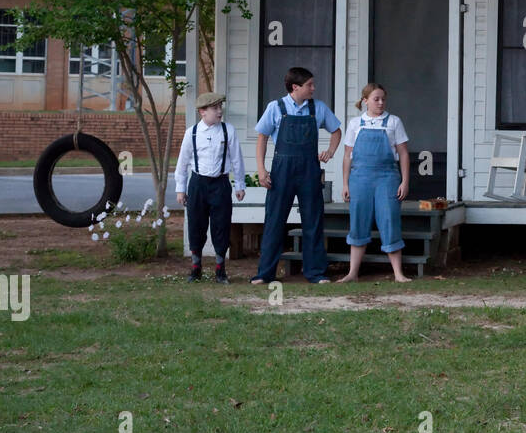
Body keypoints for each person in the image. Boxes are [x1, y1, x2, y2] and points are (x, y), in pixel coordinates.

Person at [250, 66, 342, 284]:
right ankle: (265, 274)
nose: (313, 88)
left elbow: (336, 131)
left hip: (309, 170)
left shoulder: (317, 108)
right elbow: (262, 138)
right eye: (309, 84)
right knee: (274, 221)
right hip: (281, 171)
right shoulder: (275, 107)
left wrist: (330, 151)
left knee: (313, 220)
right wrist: (262, 170)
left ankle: (316, 273)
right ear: (295, 87)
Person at [337, 82, 412, 283]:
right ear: (365, 101)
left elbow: (404, 154)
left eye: (383, 99)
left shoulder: (394, 122)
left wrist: (405, 181)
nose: (380, 103)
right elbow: (347, 156)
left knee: (389, 220)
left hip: (387, 178)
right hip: (360, 179)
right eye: (376, 99)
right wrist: (345, 184)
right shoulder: (355, 124)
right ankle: (353, 273)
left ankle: (398, 273)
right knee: (358, 221)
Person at [174, 92, 245, 283]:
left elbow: (237, 159)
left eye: (220, 107)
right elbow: (182, 162)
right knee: (196, 224)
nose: (220, 111)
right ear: (202, 112)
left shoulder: (228, 130)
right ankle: (196, 267)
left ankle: (220, 269)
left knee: (221, 224)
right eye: (215, 108)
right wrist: (181, 189)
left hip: (220, 183)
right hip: (198, 183)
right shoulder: (192, 133)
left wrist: (239, 184)